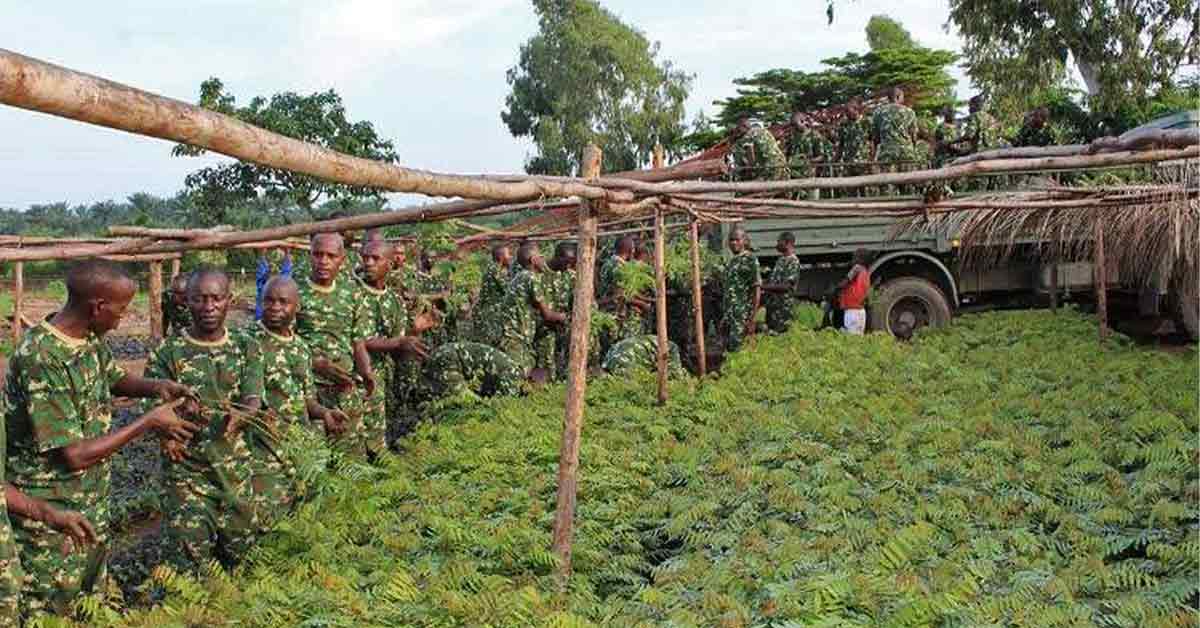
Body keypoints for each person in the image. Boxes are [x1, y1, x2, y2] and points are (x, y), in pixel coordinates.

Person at [3, 261, 198, 615]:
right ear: (97, 307)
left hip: (89, 502)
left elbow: (115, 378)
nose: (125, 316)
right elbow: (73, 455)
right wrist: (147, 422)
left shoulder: (89, 338)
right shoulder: (42, 358)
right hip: (49, 513)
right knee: (50, 608)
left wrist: (157, 387)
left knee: (88, 602)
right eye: (122, 309)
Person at [144, 269, 264, 571]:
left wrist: (244, 414)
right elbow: (152, 407)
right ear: (187, 302)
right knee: (188, 560)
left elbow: (253, 397)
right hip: (187, 473)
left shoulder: (246, 346)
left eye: (216, 299)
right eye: (199, 299)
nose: (208, 307)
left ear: (229, 301)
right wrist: (166, 436)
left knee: (242, 556)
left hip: (234, 471)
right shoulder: (168, 352)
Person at [234, 277, 348, 526]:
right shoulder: (244, 342)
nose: (274, 307)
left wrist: (325, 413)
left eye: (283, 302)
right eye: (269, 301)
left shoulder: (300, 348)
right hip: (263, 451)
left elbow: (306, 399)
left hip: (300, 447)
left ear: (297, 306)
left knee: (306, 519)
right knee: (269, 523)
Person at [295, 234, 375, 458]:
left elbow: (358, 340)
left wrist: (366, 373)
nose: (323, 261)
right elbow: (283, 340)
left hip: (344, 386)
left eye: (330, 256)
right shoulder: (294, 291)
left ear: (342, 259)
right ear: (310, 256)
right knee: (312, 460)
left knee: (351, 459)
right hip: (308, 389)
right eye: (318, 254)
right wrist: (314, 364)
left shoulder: (353, 292)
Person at [357, 240, 427, 459]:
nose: (368, 263)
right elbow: (360, 340)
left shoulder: (394, 300)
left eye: (375, 259)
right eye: (365, 258)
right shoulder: (353, 294)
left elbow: (400, 345)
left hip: (383, 377)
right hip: (356, 376)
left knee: (378, 438)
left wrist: (414, 331)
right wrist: (399, 342)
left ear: (389, 264)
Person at [499, 242, 566, 378]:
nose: (544, 260)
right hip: (515, 337)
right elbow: (547, 315)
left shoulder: (520, 276)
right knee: (517, 378)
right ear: (533, 260)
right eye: (541, 257)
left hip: (514, 336)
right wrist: (567, 317)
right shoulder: (530, 278)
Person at [419, 342, 526, 402]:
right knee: (469, 403)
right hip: (448, 359)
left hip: (446, 353)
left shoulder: (513, 370)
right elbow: (503, 405)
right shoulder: (514, 377)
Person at [596, 236, 650, 349]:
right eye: (633, 248)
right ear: (629, 249)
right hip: (616, 314)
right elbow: (621, 295)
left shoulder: (607, 263)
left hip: (608, 311)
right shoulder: (619, 267)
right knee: (619, 347)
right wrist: (643, 305)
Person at [720, 228, 762, 352]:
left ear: (744, 241)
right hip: (730, 314)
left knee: (741, 349)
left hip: (742, 315)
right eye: (731, 240)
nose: (734, 243)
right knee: (729, 349)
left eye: (737, 240)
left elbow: (756, 289)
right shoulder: (733, 261)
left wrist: (752, 318)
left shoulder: (750, 259)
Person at [544, 242, 578, 379]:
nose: (570, 266)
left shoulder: (570, 276)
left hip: (562, 327)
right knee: (545, 368)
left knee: (562, 364)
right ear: (557, 257)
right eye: (567, 262)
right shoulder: (540, 273)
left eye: (572, 263)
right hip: (543, 330)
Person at [472, 242, 513, 347]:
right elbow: (509, 289)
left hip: (488, 312)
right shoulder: (495, 270)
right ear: (501, 257)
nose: (510, 257)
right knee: (491, 344)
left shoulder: (493, 268)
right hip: (489, 314)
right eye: (508, 254)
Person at [871, 86, 920, 172]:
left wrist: (874, 155)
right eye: (902, 97)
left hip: (887, 154)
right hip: (906, 154)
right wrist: (913, 149)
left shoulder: (878, 112)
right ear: (898, 97)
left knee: (888, 183)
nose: (903, 99)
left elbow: (875, 138)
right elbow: (914, 136)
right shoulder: (910, 112)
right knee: (908, 182)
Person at [762, 232, 801, 333]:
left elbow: (786, 286)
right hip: (773, 307)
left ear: (788, 243)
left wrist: (763, 287)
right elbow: (773, 280)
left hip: (783, 309)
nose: (777, 244)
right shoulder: (780, 260)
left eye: (779, 241)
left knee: (781, 335)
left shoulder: (793, 261)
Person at [601, 335, 683, 377]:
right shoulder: (672, 348)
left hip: (613, 354)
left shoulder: (659, 342)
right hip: (629, 356)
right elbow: (676, 374)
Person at [835, 249, 872, 335]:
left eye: (854, 257)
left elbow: (845, 282)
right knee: (858, 337)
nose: (852, 260)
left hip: (852, 311)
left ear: (860, 259)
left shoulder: (857, 268)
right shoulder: (866, 272)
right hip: (861, 311)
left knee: (850, 337)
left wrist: (836, 289)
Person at [836, 98, 872, 178]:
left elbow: (873, 141)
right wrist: (835, 160)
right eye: (845, 112)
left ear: (856, 110)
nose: (846, 114)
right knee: (849, 187)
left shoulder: (866, 122)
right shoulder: (843, 125)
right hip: (848, 162)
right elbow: (840, 145)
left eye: (848, 111)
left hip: (863, 162)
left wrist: (872, 159)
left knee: (866, 187)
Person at [254, 248, 292, 321]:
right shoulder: (262, 286)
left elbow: (286, 273)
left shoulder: (280, 286)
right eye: (270, 273)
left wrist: (287, 254)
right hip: (263, 318)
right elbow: (286, 273)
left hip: (276, 318)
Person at [162, 272, 192, 337]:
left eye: (179, 293)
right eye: (174, 292)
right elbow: (165, 318)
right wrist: (163, 336)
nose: (175, 296)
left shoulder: (197, 302)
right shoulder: (167, 298)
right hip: (177, 336)